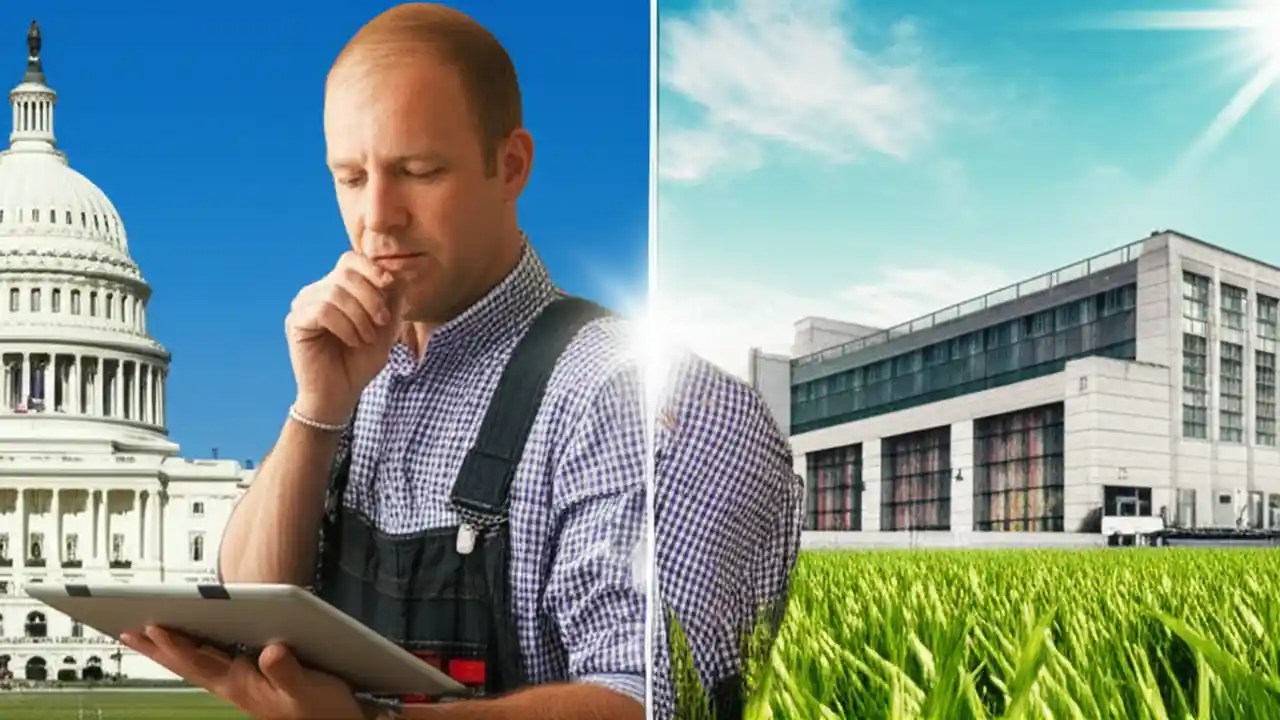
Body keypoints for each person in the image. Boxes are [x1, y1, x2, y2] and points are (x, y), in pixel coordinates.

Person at [119, 4, 646, 719]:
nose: (378, 218)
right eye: (351, 178)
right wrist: (316, 410)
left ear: (511, 165)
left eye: (419, 171)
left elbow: (645, 697)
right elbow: (251, 604)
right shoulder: (352, 369)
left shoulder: (612, 389)